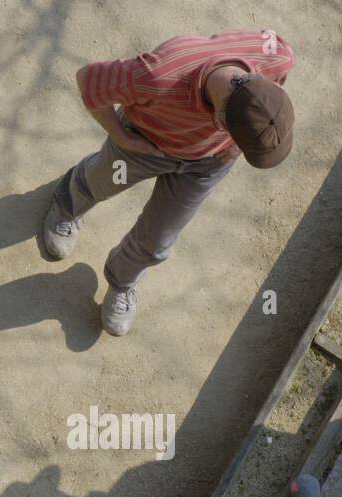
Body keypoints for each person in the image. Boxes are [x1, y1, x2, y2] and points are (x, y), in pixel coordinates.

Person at [42, 29, 296, 336]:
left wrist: (234, 147)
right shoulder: (159, 75)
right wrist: (120, 136)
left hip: (208, 164)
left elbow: (273, 87)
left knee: (159, 238)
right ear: (219, 120)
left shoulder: (275, 56)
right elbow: (88, 80)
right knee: (101, 182)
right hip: (144, 142)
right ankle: (68, 205)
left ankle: (122, 281)